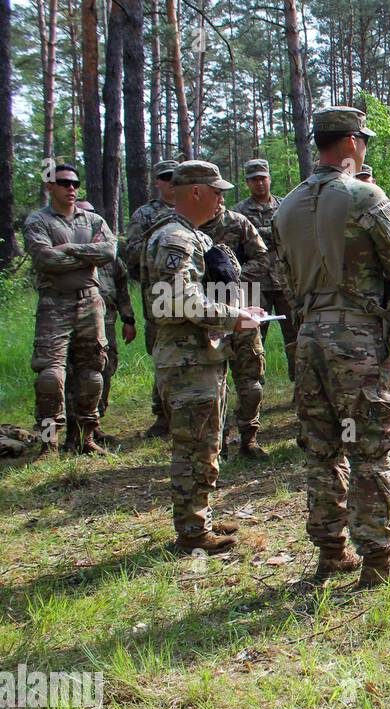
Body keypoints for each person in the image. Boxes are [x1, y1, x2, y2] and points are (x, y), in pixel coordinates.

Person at [273, 106, 390, 586]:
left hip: (309, 334)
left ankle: (330, 551)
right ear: (353, 142)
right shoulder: (363, 195)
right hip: (356, 336)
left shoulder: (286, 206)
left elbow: (283, 274)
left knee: (321, 448)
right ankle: (377, 559)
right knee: (370, 448)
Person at [146, 161, 265, 553]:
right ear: (195, 192)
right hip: (186, 361)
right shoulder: (175, 240)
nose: (221, 199)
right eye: (216, 191)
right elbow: (182, 301)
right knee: (193, 445)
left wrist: (239, 311)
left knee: (206, 442)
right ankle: (192, 532)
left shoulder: (190, 235)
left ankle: (200, 517)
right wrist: (236, 317)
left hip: (200, 356)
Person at [22, 164, 117, 456]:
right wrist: (87, 255)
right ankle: (49, 442)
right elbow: (45, 260)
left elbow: (109, 252)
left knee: (92, 373)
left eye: (75, 183)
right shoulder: (38, 221)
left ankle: (84, 438)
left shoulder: (92, 220)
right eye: (64, 183)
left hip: (90, 302)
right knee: (51, 376)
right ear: (50, 186)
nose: (71, 188)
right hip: (55, 303)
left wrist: (69, 250)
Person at [199, 200, 272, 460]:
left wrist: (233, 275)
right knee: (211, 383)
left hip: (241, 302)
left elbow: (262, 259)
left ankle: (249, 439)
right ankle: (217, 445)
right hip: (205, 312)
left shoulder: (238, 222)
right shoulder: (185, 228)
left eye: (220, 194)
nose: (217, 199)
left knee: (251, 380)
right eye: (213, 193)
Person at [63, 200, 135, 450]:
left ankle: (94, 425)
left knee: (104, 369)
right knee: (74, 373)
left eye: (92, 215)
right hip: (72, 320)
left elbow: (123, 287)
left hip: (107, 321)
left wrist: (129, 319)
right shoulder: (68, 250)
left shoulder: (109, 255)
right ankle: (72, 430)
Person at [125, 159, 178, 438]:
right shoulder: (145, 215)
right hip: (158, 296)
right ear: (157, 182)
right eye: (165, 177)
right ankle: (162, 415)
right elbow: (131, 253)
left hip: (191, 294)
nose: (171, 182)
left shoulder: (192, 209)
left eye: (175, 176)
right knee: (162, 354)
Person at [234, 159, 298, 382]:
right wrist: (271, 232)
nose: (259, 183)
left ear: (269, 179)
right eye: (254, 180)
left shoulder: (285, 205)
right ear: (247, 183)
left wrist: (261, 234)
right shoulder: (239, 212)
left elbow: (291, 235)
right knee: (252, 336)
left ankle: (301, 385)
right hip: (253, 283)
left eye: (262, 178)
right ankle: (254, 388)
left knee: (294, 333)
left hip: (284, 280)